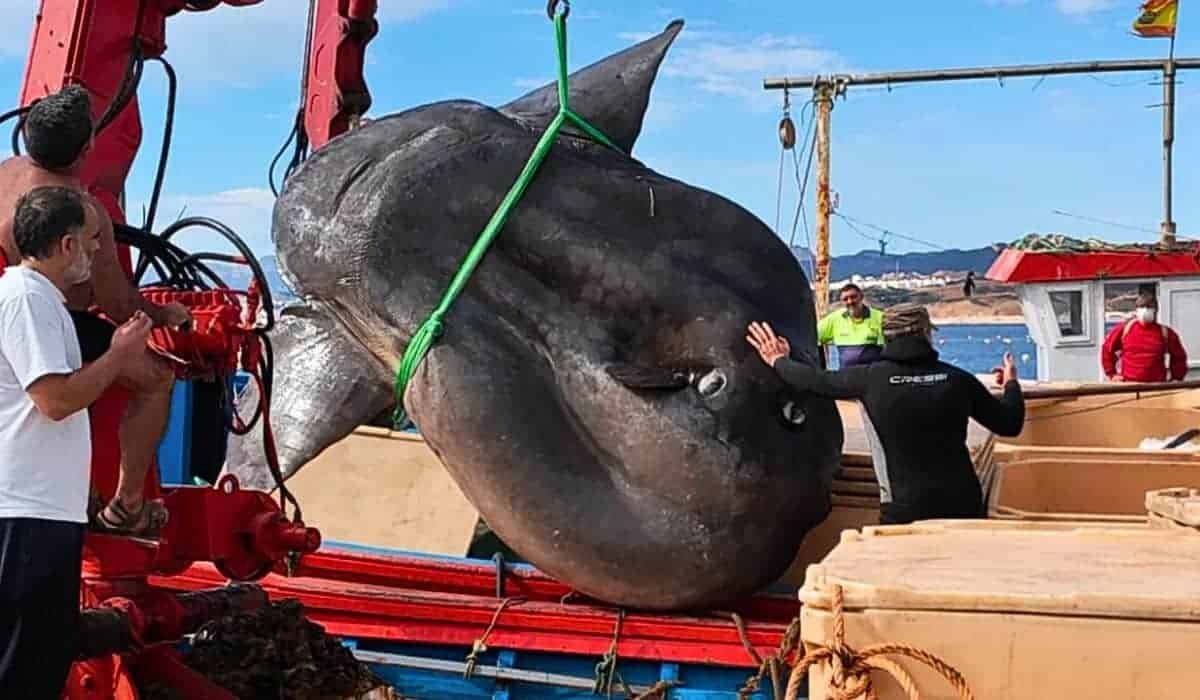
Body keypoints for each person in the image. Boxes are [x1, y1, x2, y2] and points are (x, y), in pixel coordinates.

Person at [0, 84, 189, 535]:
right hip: (43, 317)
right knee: (156, 379)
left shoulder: (5, 173)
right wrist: (162, 315)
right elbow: (117, 304)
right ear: (87, 148)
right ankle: (126, 505)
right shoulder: (78, 210)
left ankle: (85, 491)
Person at [0, 186, 154, 698]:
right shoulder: (26, 300)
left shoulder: (40, 301)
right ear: (65, 246)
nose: (94, 253)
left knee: (37, 663)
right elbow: (55, 400)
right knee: (24, 669)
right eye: (90, 243)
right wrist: (117, 354)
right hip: (26, 515)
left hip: (41, 512)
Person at [747, 303, 1025, 525]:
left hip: (905, 507)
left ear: (885, 336)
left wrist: (778, 360)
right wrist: (1012, 383)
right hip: (961, 502)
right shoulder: (958, 380)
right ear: (927, 334)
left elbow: (813, 380)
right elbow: (1010, 424)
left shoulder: (870, 379)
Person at [1101, 290, 1188, 383]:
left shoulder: (1165, 332)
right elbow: (1107, 349)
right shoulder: (1125, 329)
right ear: (1137, 310)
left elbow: (1179, 357)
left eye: (1149, 307)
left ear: (1156, 310)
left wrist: (1177, 377)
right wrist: (1112, 374)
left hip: (1157, 387)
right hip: (1128, 386)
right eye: (1142, 307)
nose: (1145, 310)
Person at [817, 283, 885, 369]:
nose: (850, 301)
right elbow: (812, 338)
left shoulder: (879, 318)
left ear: (861, 296)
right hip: (845, 378)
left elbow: (889, 350)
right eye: (845, 299)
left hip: (871, 377)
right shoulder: (835, 319)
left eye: (853, 297)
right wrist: (820, 369)